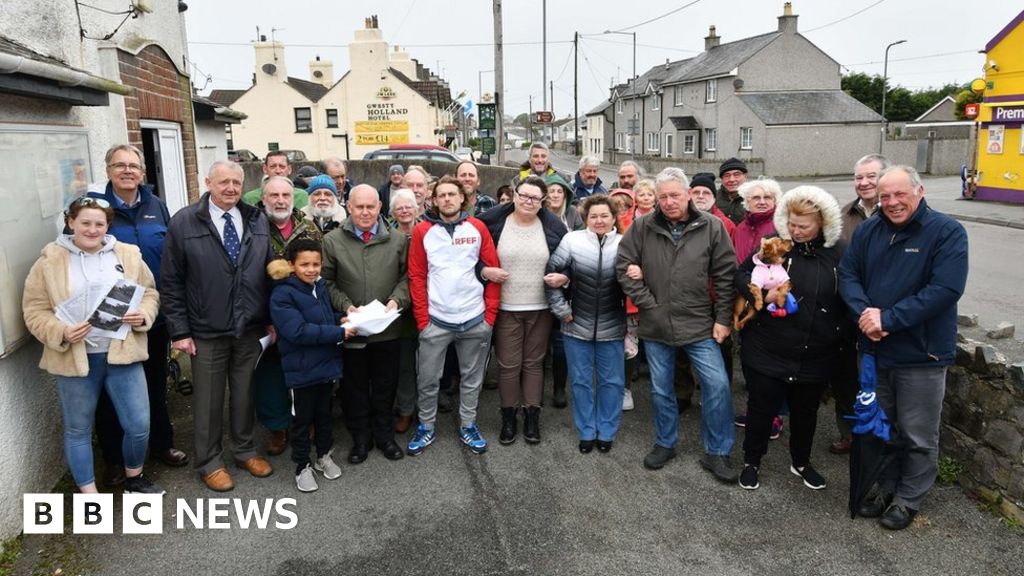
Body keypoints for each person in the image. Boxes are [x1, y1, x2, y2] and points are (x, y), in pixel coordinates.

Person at [839, 165, 968, 531]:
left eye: (899, 195)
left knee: (917, 433)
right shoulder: (868, 230)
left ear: (920, 191)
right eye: (884, 197)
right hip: (875, 350)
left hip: (921, 355)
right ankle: (887, 486)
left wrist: (888, 320)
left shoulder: (946, 232)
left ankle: (909, 498)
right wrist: (865, 314)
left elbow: (945, 290)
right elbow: (848, 275)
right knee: (884, 427)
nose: (892, 203)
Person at [23, 197, 164, 494]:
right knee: (78, 430)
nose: (92, 229)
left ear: (107, 225)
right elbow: (34, 310)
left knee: (139, 424)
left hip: (122, 353)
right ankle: (90, 495)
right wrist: (60, 330)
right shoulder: (49, 262)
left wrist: (143, 314)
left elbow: (150, 293)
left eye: (99, 224)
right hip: (75, 359)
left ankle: (134, 479)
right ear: (71, 222)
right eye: (85, 223)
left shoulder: (127, 254)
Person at [616, 167, 738, 482]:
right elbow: (622, 265)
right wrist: (646, 302)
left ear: (688, 195)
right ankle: (666, 442)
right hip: (656, 323)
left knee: (718, 385)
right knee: (661, 388)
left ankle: (717, 451)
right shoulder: (642, 226)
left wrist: (724, 318)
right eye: (663, 196)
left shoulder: (711, 226)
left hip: (699, 322)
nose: (669, 202)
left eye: (675, 195)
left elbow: (726, 275)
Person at [161, 160, 275, 492]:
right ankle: (209, 462)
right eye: (223, 182)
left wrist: (268, 319)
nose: (230, 189)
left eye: (236, 183)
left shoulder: (255, 218)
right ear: (208, 182)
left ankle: (244, 450)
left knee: (244, 394)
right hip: (205, 328)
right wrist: (179, 331)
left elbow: (266, 271)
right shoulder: (185, 221)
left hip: (249, 327)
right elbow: (171, 281)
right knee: (208, 400)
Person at [87, 144, 187, 489]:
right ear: (108, 171)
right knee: (109, 393)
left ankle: (162, 444)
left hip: (151, 315)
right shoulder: (97, 208)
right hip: (110, 321)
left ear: (142, 172)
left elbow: (172, 256)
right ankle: (114, 460)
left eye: (133, 165)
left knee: (155, 384)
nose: (127, 171)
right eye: (120, 166)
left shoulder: (156, 205)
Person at [734, 186, 846, 492]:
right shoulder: (775, 245)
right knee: (761, 408)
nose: (795, 232)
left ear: (822, 223)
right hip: (769, 346)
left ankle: (801, 462)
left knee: (805, 413)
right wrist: (761, 294)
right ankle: (751, 461)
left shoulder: (839, 253)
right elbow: (741, 275)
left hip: (816, 350)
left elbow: (849, 295)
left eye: (803, 226)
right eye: (791, 224)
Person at [406, 175, 500, 456]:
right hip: (436, 320)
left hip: (475, 318)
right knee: (428, 379)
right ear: (434, 201)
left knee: (472, 379)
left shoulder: (477, 227)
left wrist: (490, 317)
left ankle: (468, 424)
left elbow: (494, 271)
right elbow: (417, 275)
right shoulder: (423, 231)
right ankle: (426, 426)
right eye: (442, 195)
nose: (447, 199)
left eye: (452, 194)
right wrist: (423, 321)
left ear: (463, 198)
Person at [322, 184, 410, 464]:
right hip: (352, 329)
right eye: (359, 206)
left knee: (385, 386)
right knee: (354, 387)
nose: (365, 212)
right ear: (348, 207)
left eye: (370, 206)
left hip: (388, 330)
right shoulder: (333, 241)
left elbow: (407, 277)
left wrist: (397, 300)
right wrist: (345, 305)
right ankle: (360, 438)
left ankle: (385, 436)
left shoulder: (397, 240)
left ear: (380, 208)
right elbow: (326, 281)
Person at [479, 176, 568, 444]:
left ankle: (531, 416)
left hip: (541, 306)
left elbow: (566, 263)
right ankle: (508, 417)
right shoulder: (493, 223)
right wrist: (484, 271)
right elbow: (473, 258)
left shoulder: (553, 228)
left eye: (535, 198)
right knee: (508, 365)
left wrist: (564, 277)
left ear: (542, 202)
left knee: (533, 364)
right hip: (506, 306)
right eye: (523, 195)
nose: (528, 201)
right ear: (514, 195)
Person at [268, 238, 353, 492]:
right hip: (301, 371)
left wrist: (342, 319)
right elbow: (298, 331)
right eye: (304, 264)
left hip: (326, 367)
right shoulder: (282, 294)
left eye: (316, 264)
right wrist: (339, 332)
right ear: (291, 265)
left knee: (324, 416)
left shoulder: (321, 286)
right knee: (302, 421)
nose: (311, 269)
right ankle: (301, 466)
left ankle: (323, 456)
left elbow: (324, 318)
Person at [545, 194, 626, 454]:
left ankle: (607, 430)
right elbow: (551, 274)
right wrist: (561, 310)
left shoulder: (625, 244)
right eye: (594, 216)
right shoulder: (572, 240)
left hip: (612, 326)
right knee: (580, 382)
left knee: (611, 382)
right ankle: (587, 430)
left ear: (614, 218)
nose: (599, 220)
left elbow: (636, 281)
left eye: (605, 215)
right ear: (585, 219)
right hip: (575, 324)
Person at [255, 176, 323, 457]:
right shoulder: (253, 227)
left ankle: (303, 422)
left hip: (303, 310)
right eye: (274, 195)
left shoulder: (308, 226)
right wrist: (263, 319)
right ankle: (277, 428)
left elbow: (320, 268)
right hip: (265, 311)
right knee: (270, 375)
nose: (280, 200)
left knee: (305, 369)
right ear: (263, 198)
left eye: (286, 195)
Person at [831, 153, 890, 455]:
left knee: (880, 382)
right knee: (845, 378)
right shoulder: (843, 215)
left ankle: (878, 438)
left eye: (872, 176)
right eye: (859, 177)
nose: (864, 182)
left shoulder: (896, 211)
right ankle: (850, 434)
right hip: (848, 309)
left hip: (884, 314)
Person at [387, 188, 421, 433]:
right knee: (404, 363)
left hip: (427, 304)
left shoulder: (428, 230)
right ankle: (406, 409)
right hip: (399, 308)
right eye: (399, 207)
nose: (404, 210)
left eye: (408, 206)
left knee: (429, 362)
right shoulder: (387, 235)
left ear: (417, 208)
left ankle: (424, 407)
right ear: (392, 212)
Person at [732, 178, 783, 264]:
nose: (762, 202)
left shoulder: (781, 225)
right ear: (748, 201)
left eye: (767, 197)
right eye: (756, 198)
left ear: (774, 201)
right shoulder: (739, 229)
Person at [242, 151, 309, 209]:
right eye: (273, 166)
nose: (278, 171)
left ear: (289, 169)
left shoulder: (302, 196)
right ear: (265, 169)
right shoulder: (251, 198)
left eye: (282, 166)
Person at [688, 172, 735, 238]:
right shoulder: (677, 218)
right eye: (696, 192)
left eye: (706, 193)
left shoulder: (726, 225)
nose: (700, 196)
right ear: (688, 195)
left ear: (714, 198)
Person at [716, 157, 749, 224]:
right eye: (727, 175)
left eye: (736, 175)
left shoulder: (754, 197)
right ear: (722, 179)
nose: (732, 179)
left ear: (745, 176)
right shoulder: (713, 198)